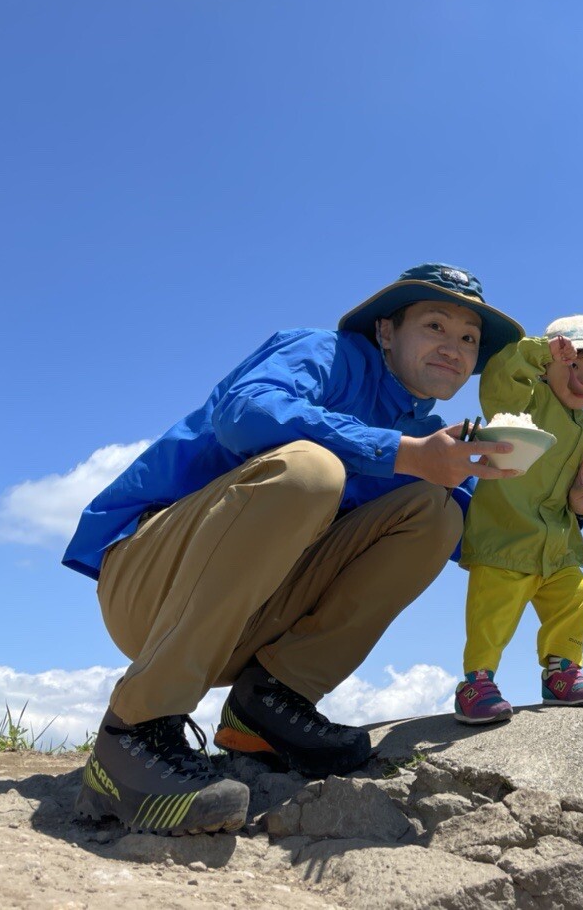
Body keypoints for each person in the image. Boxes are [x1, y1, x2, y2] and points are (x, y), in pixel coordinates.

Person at [62, 263, 522, 835]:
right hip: (150, 587)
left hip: (247, 623)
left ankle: (268, 707)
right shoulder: (325, 354)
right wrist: (399, 451)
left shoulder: (432, 442)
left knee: (437, 511)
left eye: (469, 339)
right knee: (311, 468)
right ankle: (133, 733)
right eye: (435, 325)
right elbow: (244, 414)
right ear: (385, 331)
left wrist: (575, 505)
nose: (454, 348)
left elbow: (495, 544)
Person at [453, 315, 583, 725]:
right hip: (504, 537)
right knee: (491, 614)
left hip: (558, 546)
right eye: (572, 364)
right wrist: (535, 352)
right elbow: (501, 377)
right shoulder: (524, 403)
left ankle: (561, 673)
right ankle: (476, 682)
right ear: (547, 366)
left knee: (575, 593)